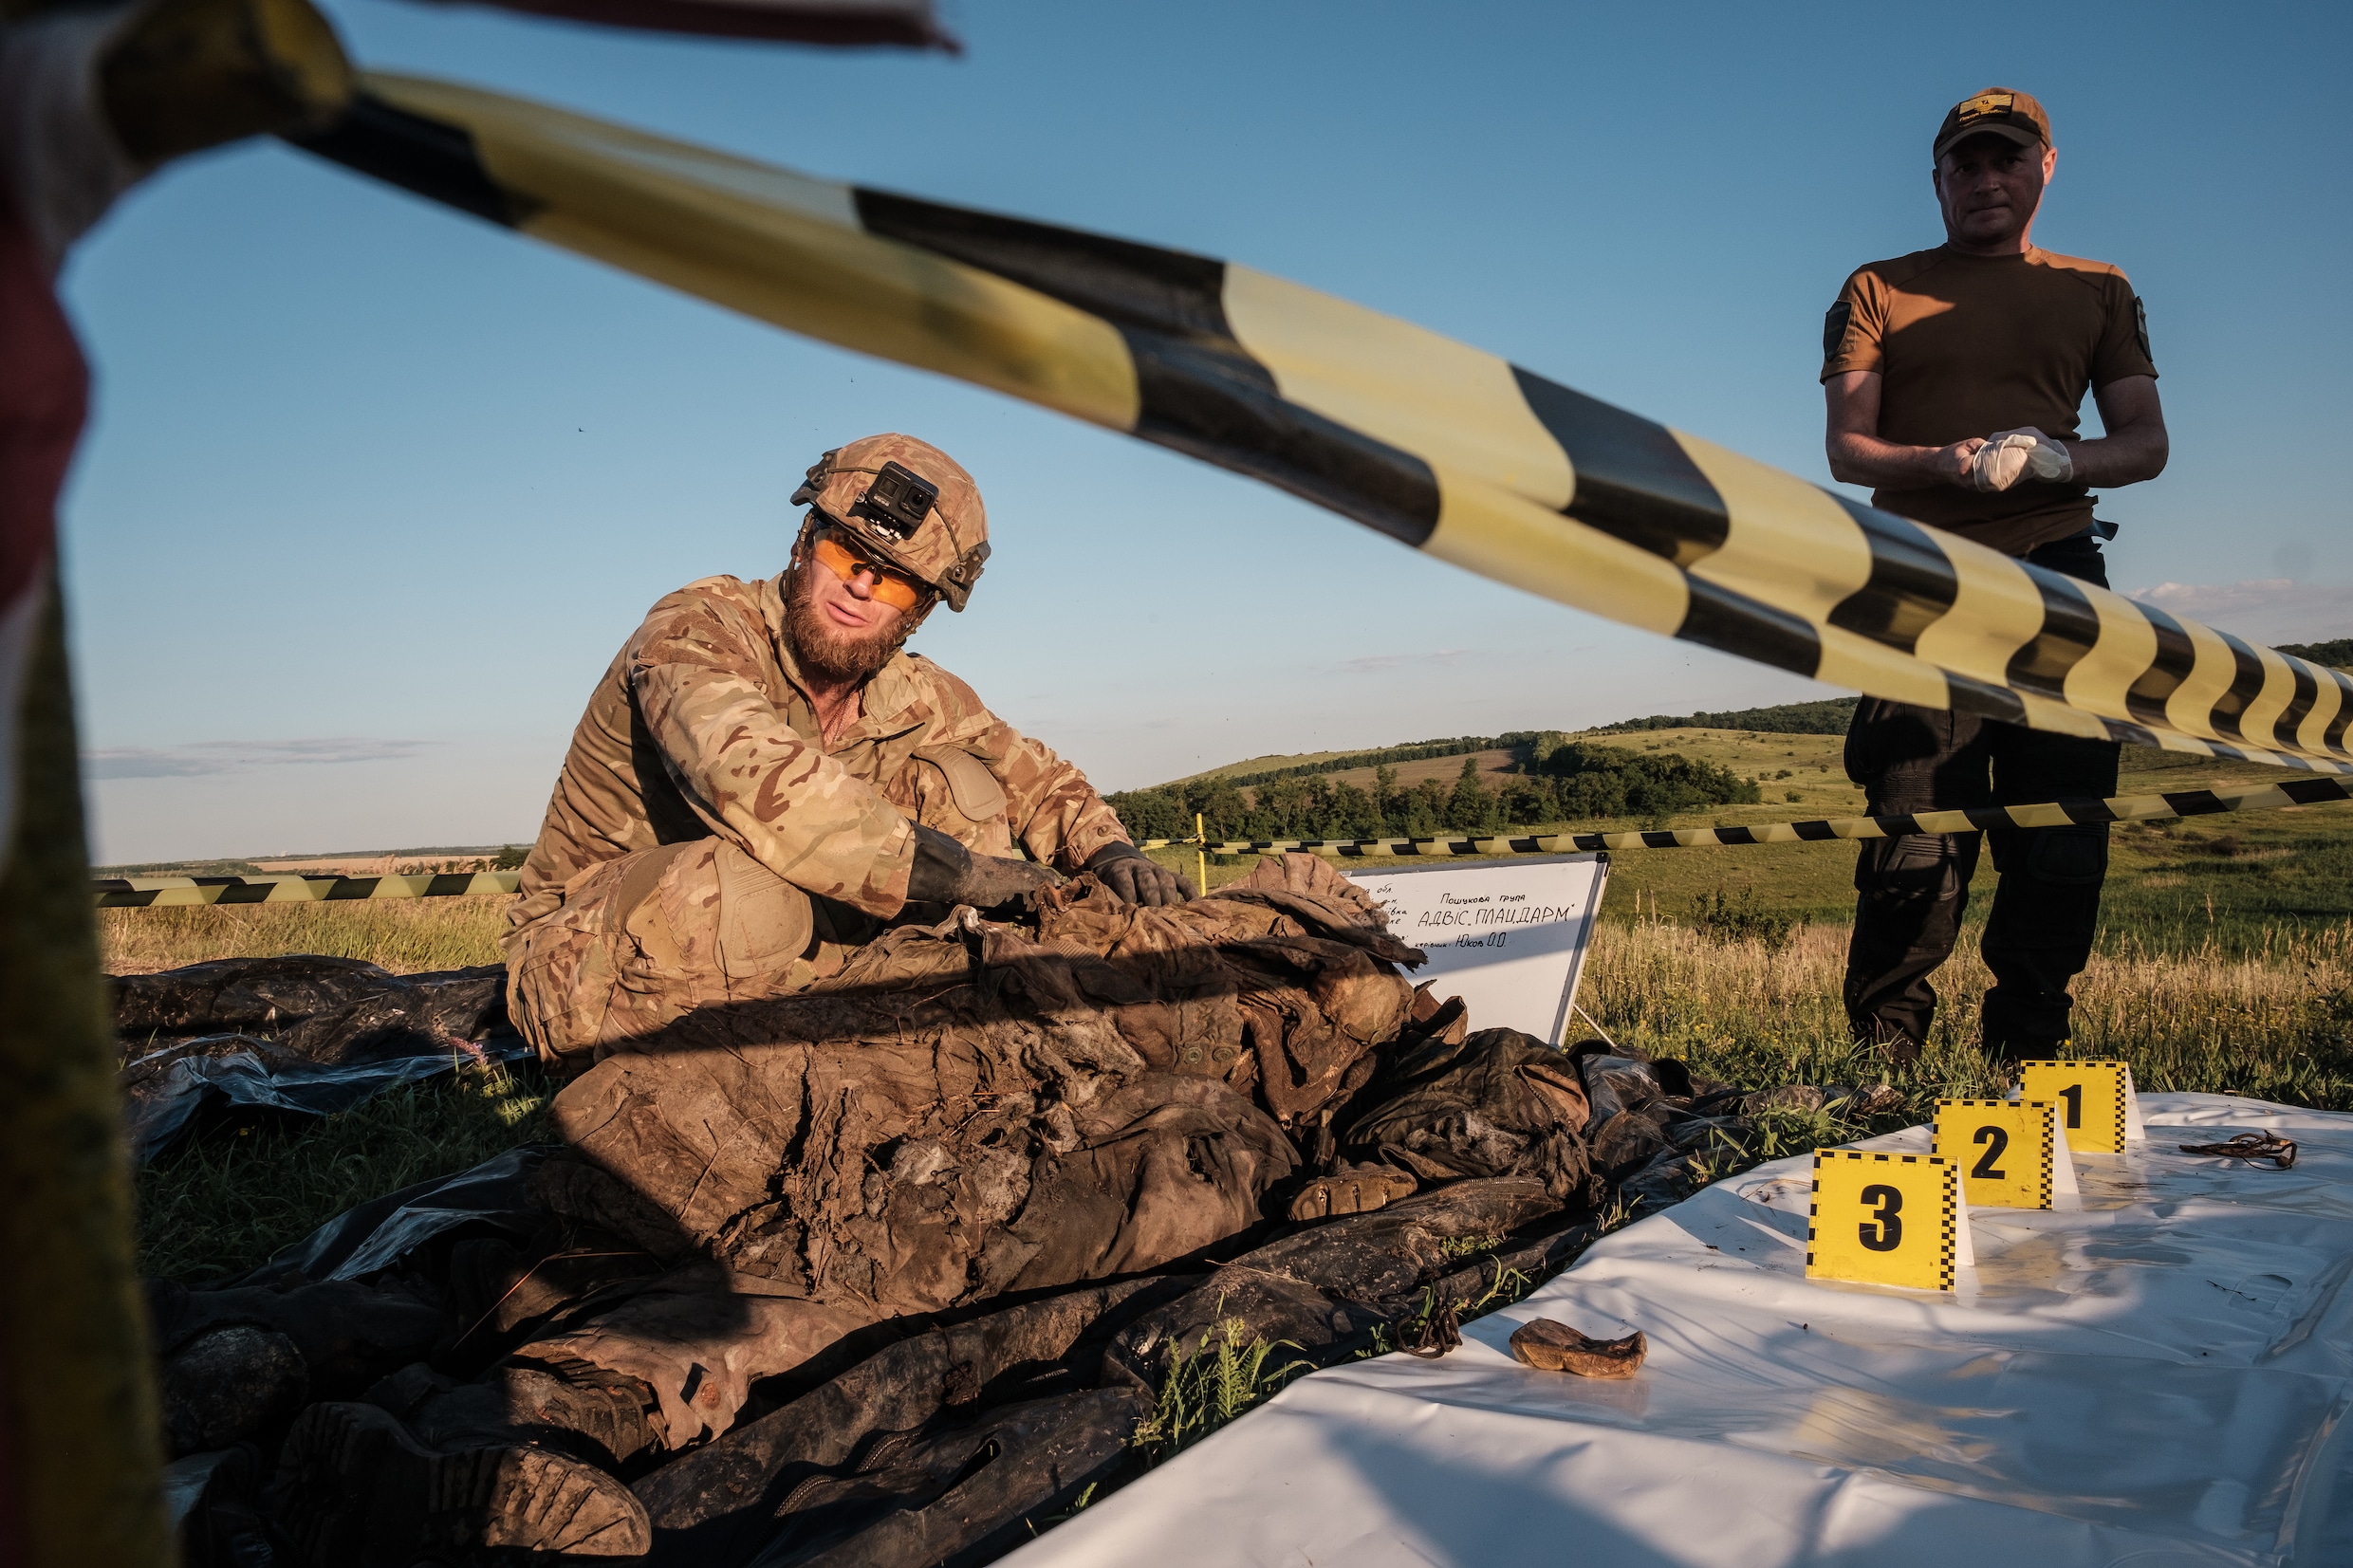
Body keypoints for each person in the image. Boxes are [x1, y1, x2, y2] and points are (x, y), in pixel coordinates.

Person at [503, 432, 1194, 1066]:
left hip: (777, 947)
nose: (860, 585)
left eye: (891, 578)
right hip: (583, 951)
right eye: (846, 552)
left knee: (958, 780)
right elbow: (761, 782)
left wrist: (1110, 853)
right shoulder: (698, 629)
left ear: (918, 609)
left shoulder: (913, 691)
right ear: (806, 540)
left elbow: (1033, 775)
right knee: (744, 890)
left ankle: (885, 1019)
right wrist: (967, 875)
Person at [1821, 87, 2168, 1065]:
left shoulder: (2097, 289)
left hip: (2059, 573)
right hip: (1920, 576)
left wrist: (2060, 459)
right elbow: (1848, 448)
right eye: (1963, 163)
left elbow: (2143, 444)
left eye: (2004, 159)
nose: (1984, 178)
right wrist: (1938, 462)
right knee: (1912, 825)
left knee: (2059, 828)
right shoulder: (1874, 287)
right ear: (1936, 178)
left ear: (2042, 169)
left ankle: (2026, 1054)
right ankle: (1880, 1067)